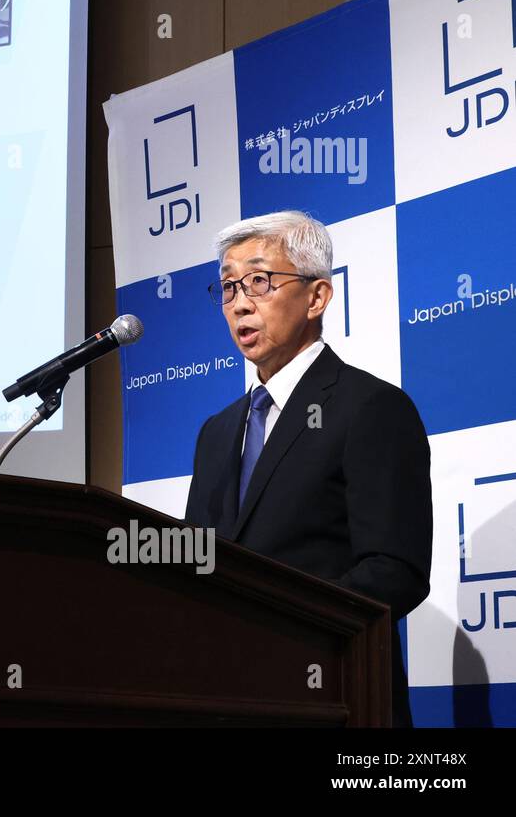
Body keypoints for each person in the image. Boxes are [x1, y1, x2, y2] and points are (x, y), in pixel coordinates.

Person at [183, 210, 432, 728]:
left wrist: (276, 634)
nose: (240, 303)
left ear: (317, 297)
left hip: (332, 697)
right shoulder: (216, 432)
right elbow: (199, 559)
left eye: (259, 280)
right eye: (228, 287)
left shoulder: (370, 407)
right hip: (224, 700)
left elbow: (395, 570)